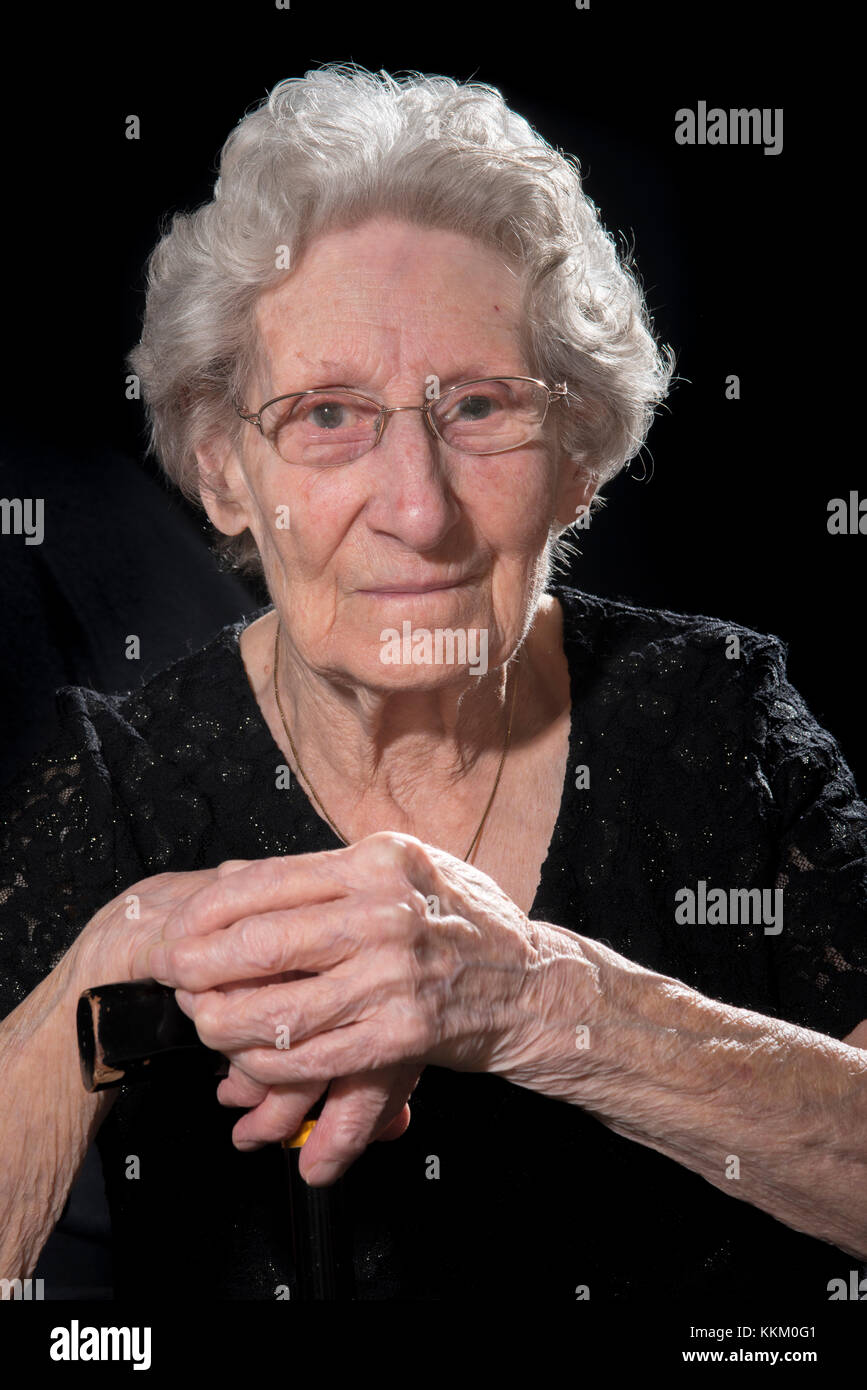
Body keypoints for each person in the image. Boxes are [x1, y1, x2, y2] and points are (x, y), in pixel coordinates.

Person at [1, 64, 865, 1302]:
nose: (416, 507)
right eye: (329, 415)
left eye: (479, 406)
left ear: (578, 459)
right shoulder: (124, 785)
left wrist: (544, 1002)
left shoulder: (719, 716)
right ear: (225, 473)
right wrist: (117, 950)